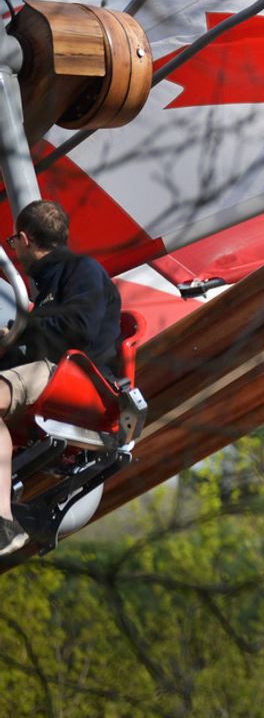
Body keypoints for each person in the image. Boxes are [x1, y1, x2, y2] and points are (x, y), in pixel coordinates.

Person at [0, 200, 122, 556]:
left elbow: (78, 330)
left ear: (23, 239)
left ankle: (4, 523)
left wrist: (21, 328)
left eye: (13, 241)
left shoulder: (81, 270)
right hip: (57, 373)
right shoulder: (53, 282)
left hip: (79, 379)